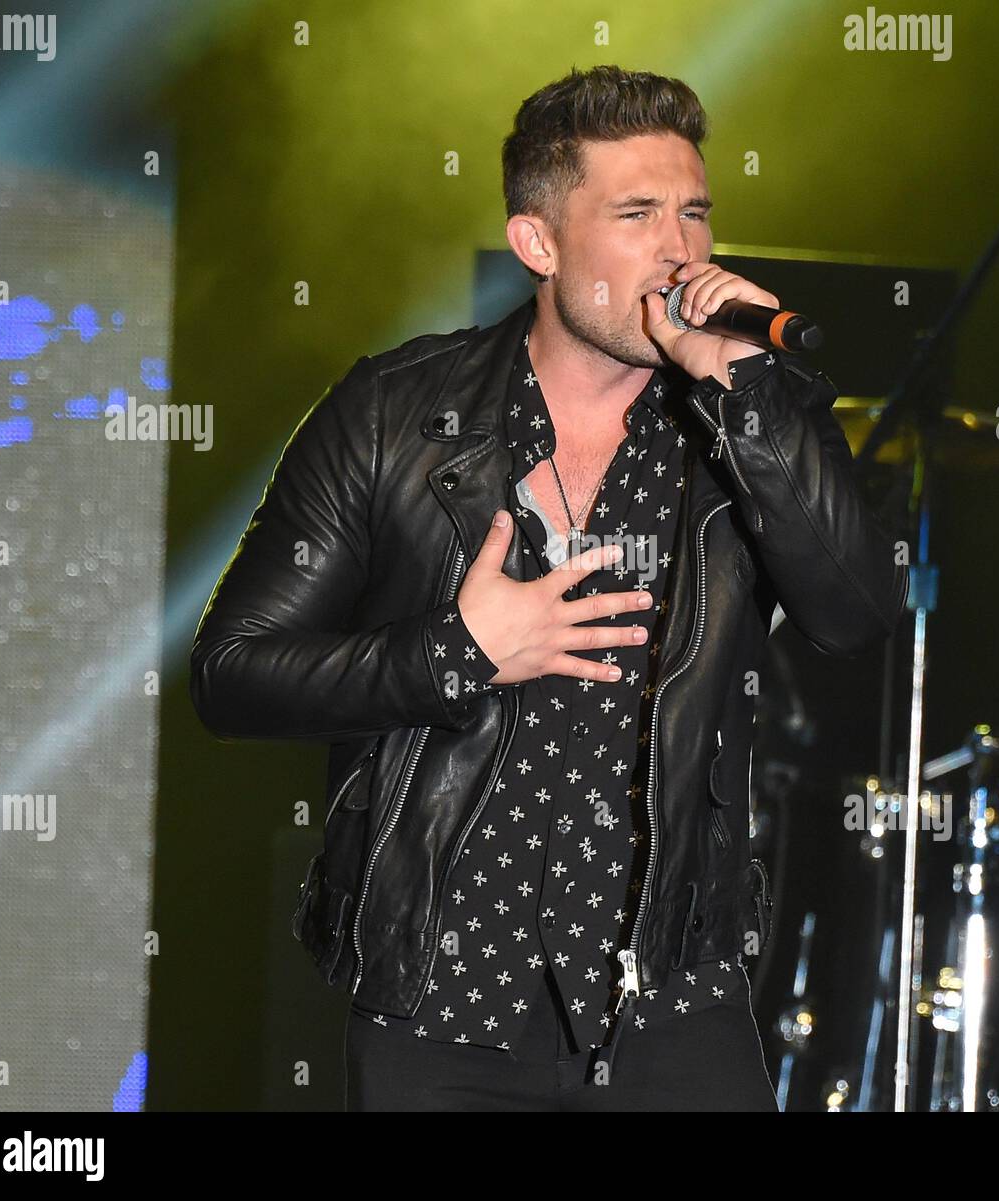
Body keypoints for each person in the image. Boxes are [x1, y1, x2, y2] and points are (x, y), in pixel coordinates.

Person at [190, 64, 908, 1112]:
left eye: (693, 214)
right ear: (539, 243)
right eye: (635, 214)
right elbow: (233, 671)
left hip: (670, 997)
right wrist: (456, 652)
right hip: (444, 1003)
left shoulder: (747, 417)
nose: (681, 250)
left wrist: (748, 395)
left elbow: (856, 614)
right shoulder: (394, 414)